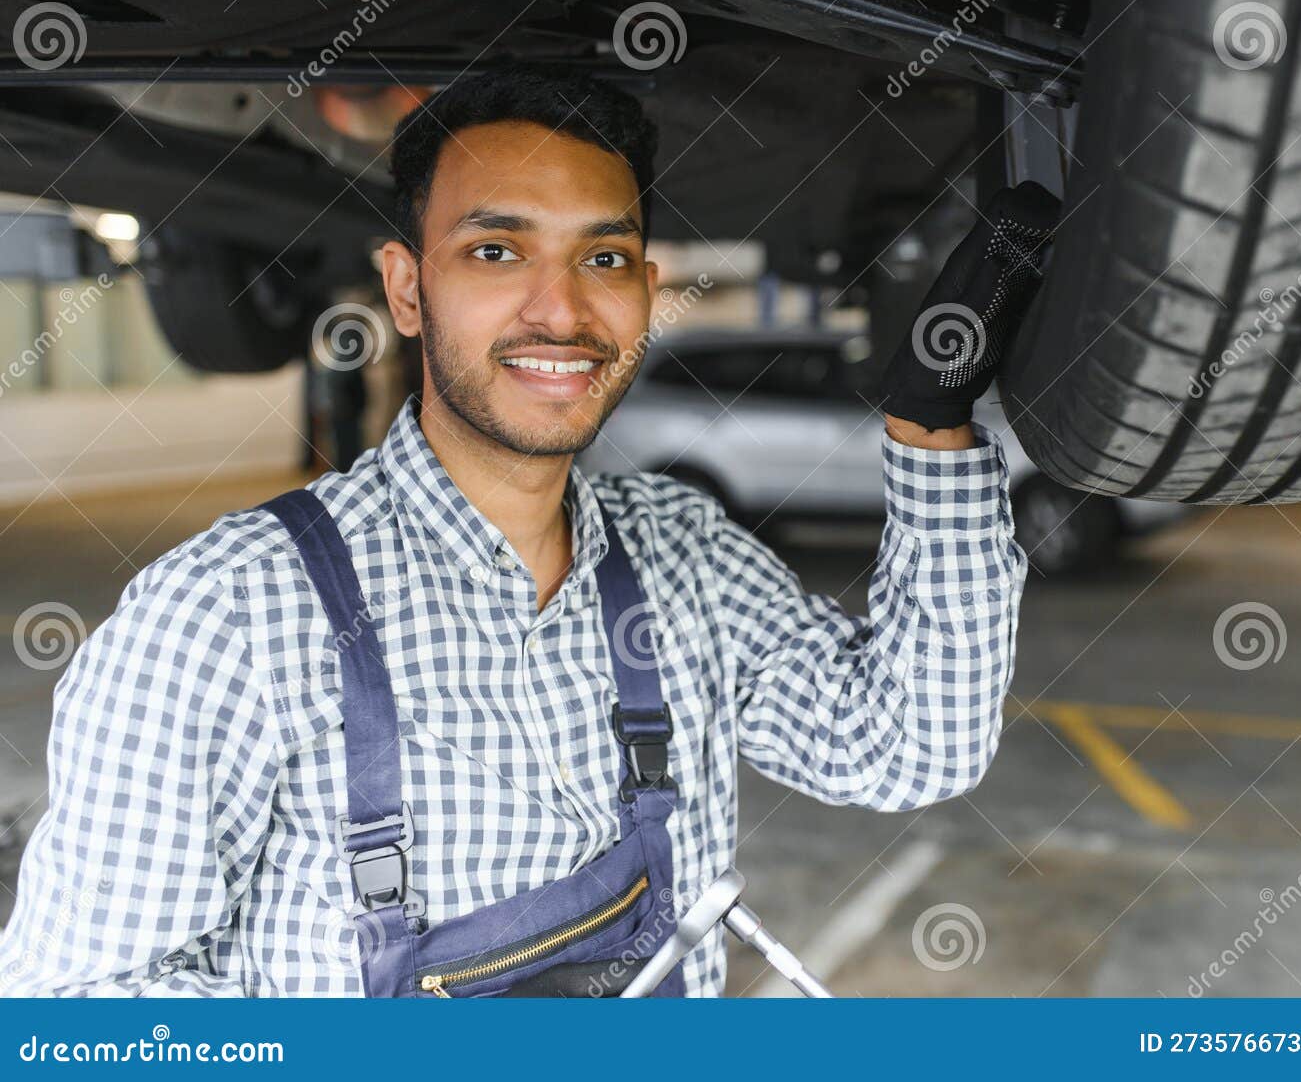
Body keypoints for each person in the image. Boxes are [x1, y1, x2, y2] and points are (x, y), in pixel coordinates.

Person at [0, 65, 1058, 997]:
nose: (560, 311)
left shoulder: (680, 559)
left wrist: (932, 431)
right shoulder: (221, 619)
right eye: (497, 249)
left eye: (602, 260)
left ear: (645, 292)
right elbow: (84, 1007)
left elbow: (908, 749)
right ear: (408, 289)